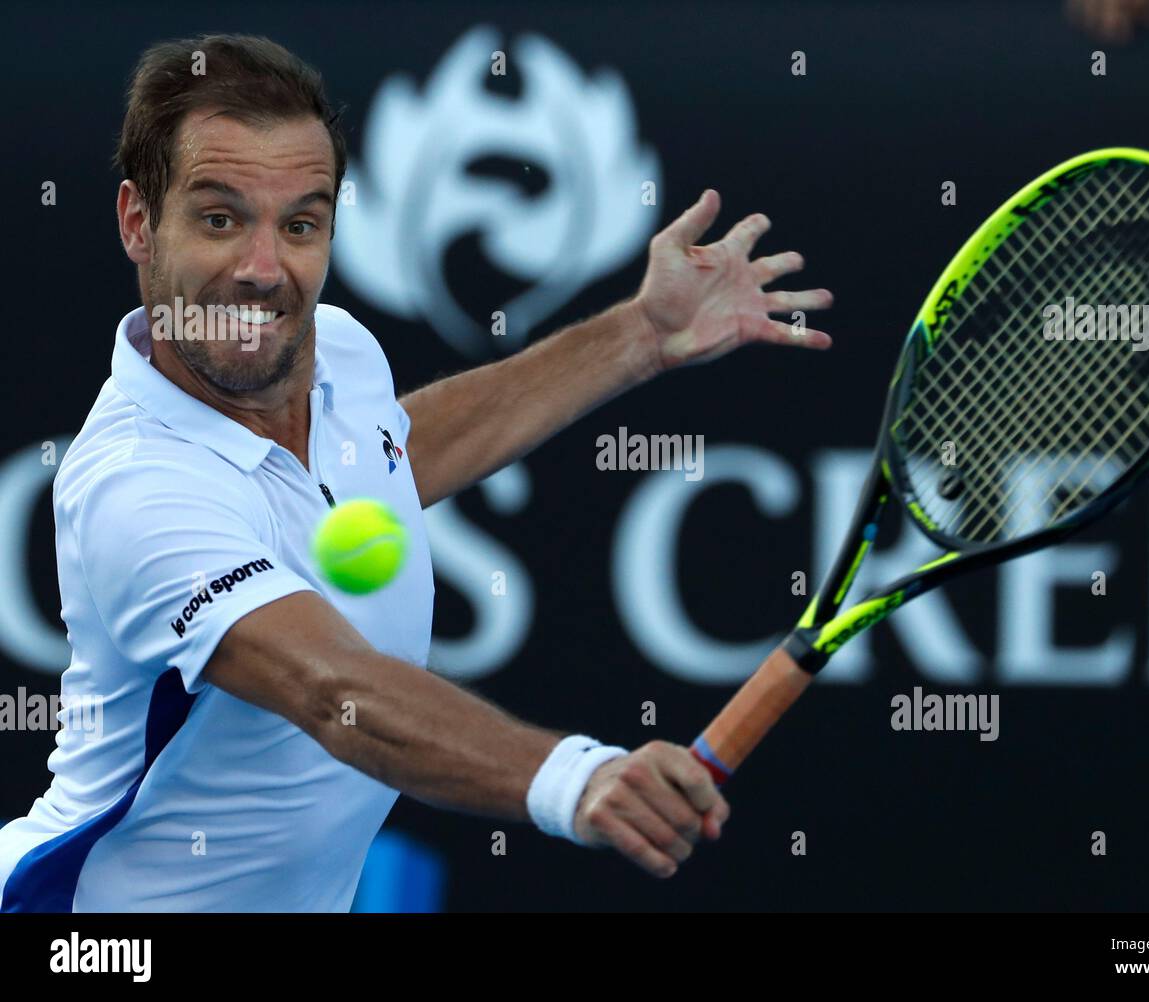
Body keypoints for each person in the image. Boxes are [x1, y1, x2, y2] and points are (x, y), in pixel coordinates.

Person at [0, 34, 834, 911]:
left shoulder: (339, 354)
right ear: (139, 221)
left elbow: (392, 455)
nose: (263, 270)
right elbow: (334, 692)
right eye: (219, 217)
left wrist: (640, 337)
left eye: (300, 223)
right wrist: (573, 780)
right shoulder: (136, 488)